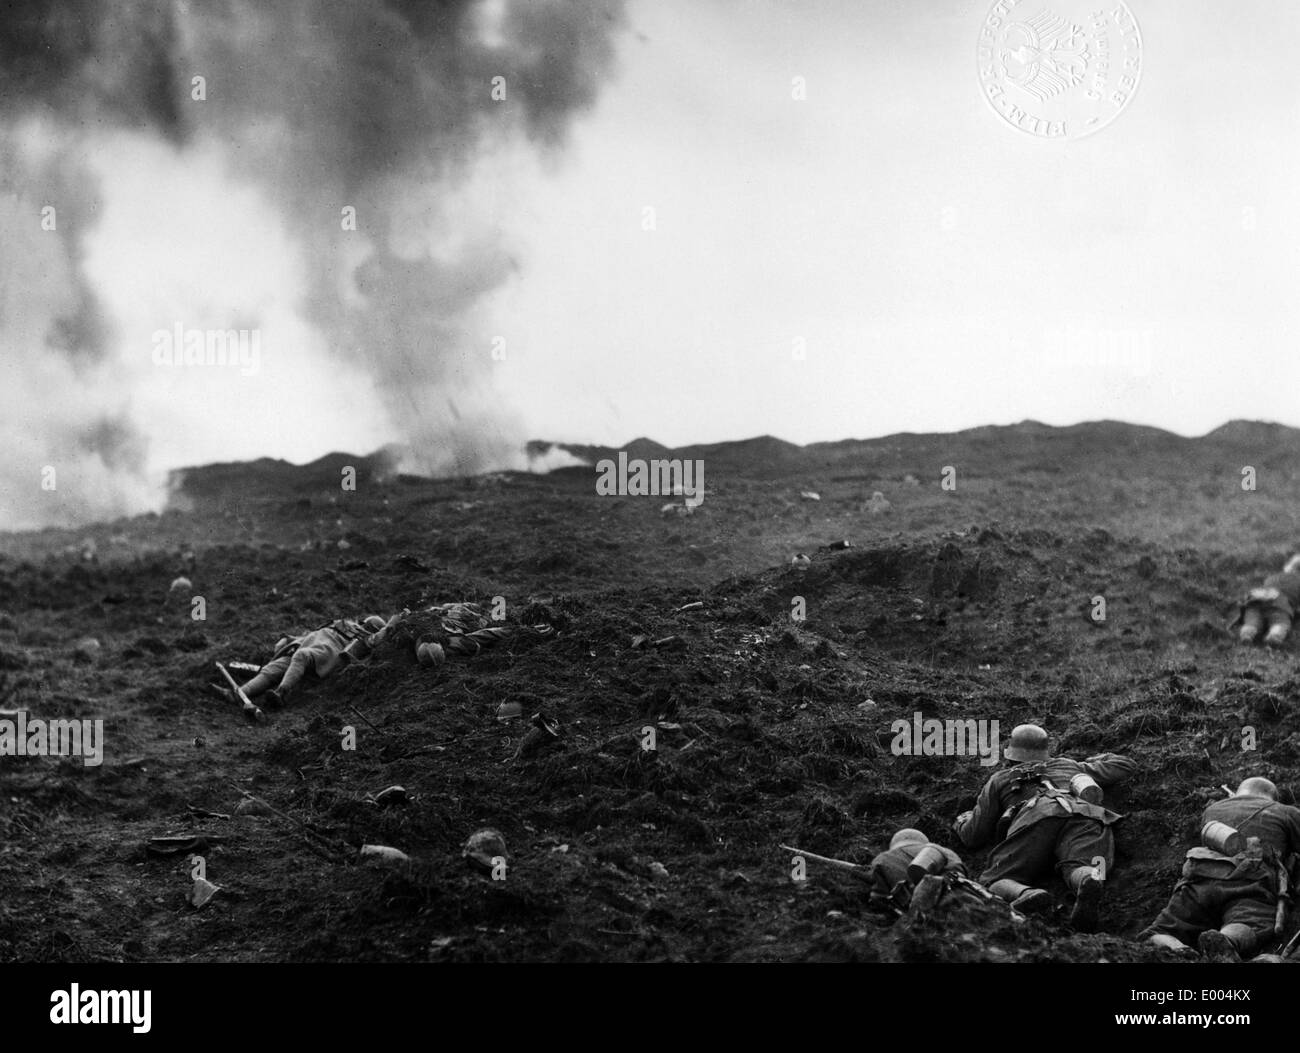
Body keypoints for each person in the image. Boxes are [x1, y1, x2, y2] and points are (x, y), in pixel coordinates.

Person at [953, 723, 1136, 932]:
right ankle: (1088, 878)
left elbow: (974, 835)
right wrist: (1092, 760)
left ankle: (1027, 894)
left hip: (1035, 819)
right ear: (1045, 750)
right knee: (1095, 865)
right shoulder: (1069, 765)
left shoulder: (1000, 779)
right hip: (1087, 813)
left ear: (1011, 753)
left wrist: (961, 822)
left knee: (994, 879)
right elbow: (1125, 765)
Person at [1142, 777, 1300, 961]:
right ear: (1272, 797)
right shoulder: (1284, 811)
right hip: (1247, 882)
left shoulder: (1213, 809)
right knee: (1253, 920)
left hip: (1198, 879)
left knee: (1162, 929)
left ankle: (1177, 949)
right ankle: (1226, 940)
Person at [233, 613, 397, 708]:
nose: (363, 626)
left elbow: (377, 639)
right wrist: (292, 639)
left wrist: (393, 622)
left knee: (302, 656)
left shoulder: (362, 639)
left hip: (325, 653)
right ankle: (239, 693)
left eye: (368, 627)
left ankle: (281, 693)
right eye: (365, 624)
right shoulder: (342, 624)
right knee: (273, 668)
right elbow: (314, 633)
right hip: (308, 644)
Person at [866, 828, 967, 912]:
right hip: (966, 903)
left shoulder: (882, 858)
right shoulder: (946, 852)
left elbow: (878, 898)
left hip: (920, 916)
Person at [1229, 554, 1300, 646]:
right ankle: (1275, 635)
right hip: (1279, 603)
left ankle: (1247, 633)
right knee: (1280, 622)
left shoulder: (1273, 577)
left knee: (1253, 621)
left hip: (1255, 599)